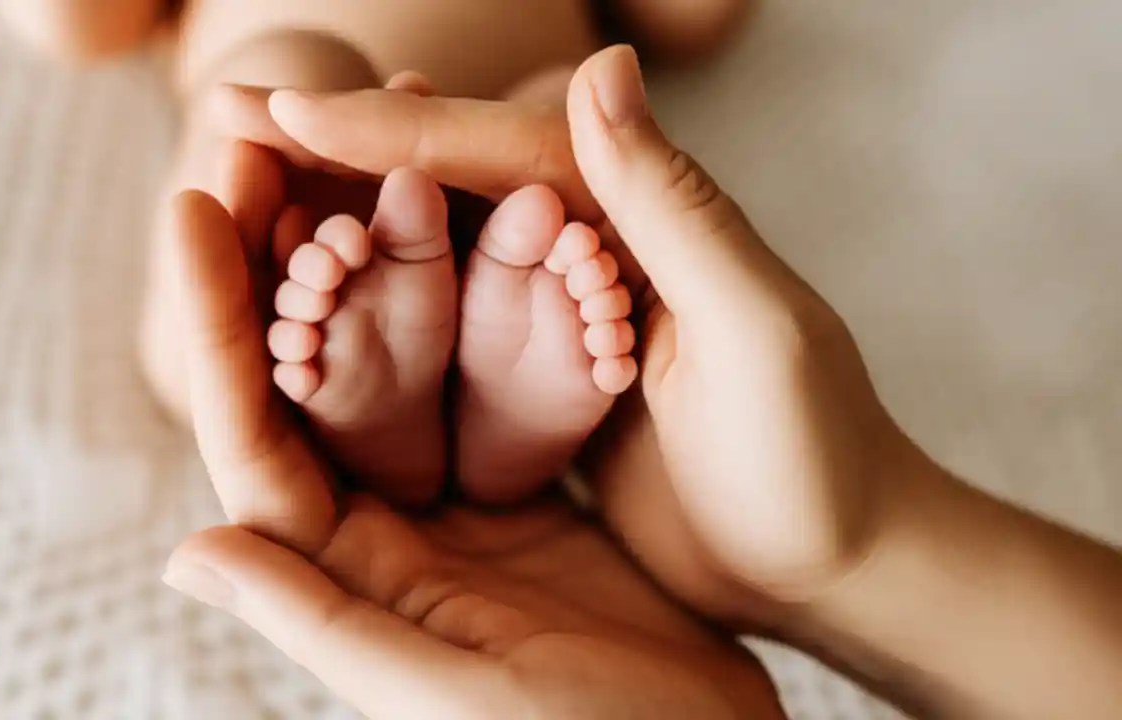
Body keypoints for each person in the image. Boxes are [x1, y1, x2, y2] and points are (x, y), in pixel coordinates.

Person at [165, 46, 1122, 719]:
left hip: (495, 149)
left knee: (512, 125)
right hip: (420, 134)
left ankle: (468, 415)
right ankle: (465, 397)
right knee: (284, 95)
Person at [0, 0, 750, 506]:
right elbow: (75, 24)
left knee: (568, 111)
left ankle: (511, 412)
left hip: (512, 164)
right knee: (286, 83)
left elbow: (688, 23)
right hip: (306, 174)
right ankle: (318, 375)